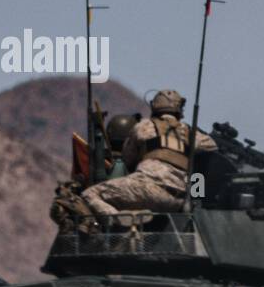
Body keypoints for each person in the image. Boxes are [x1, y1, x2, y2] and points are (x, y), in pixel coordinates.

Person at [82, 89, 216, 215]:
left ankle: (117, 220)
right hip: (177, 199)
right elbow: (211, 145)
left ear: (154, 106)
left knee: (90, 194)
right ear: (179, 110)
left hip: (146, 189)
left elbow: (128, 159)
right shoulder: (190, 133)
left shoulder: (143, 127)